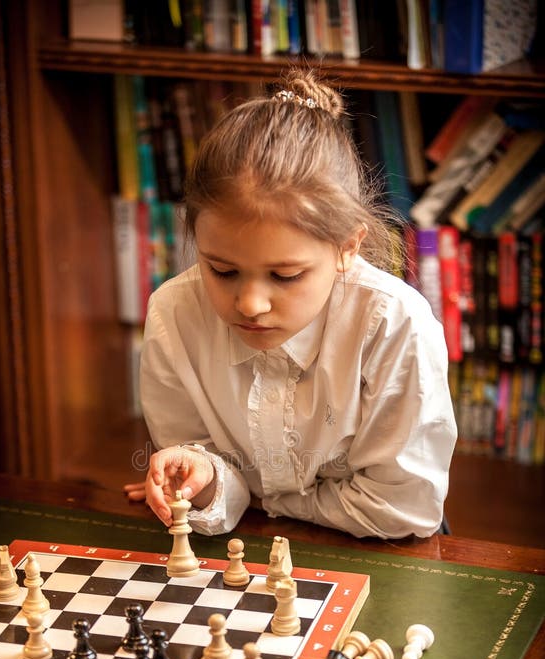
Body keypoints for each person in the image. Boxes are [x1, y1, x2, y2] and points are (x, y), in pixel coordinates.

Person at [124, 69, 457, 539]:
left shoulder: (396, 324)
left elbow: (399, 509)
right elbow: (205, 476)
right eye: (221, 270)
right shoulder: (173, 314)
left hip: (384, 549)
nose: (250, 304)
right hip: (252, 545)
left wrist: (262, 501)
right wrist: (203, 479)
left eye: (284, 276)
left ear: (347, 247)